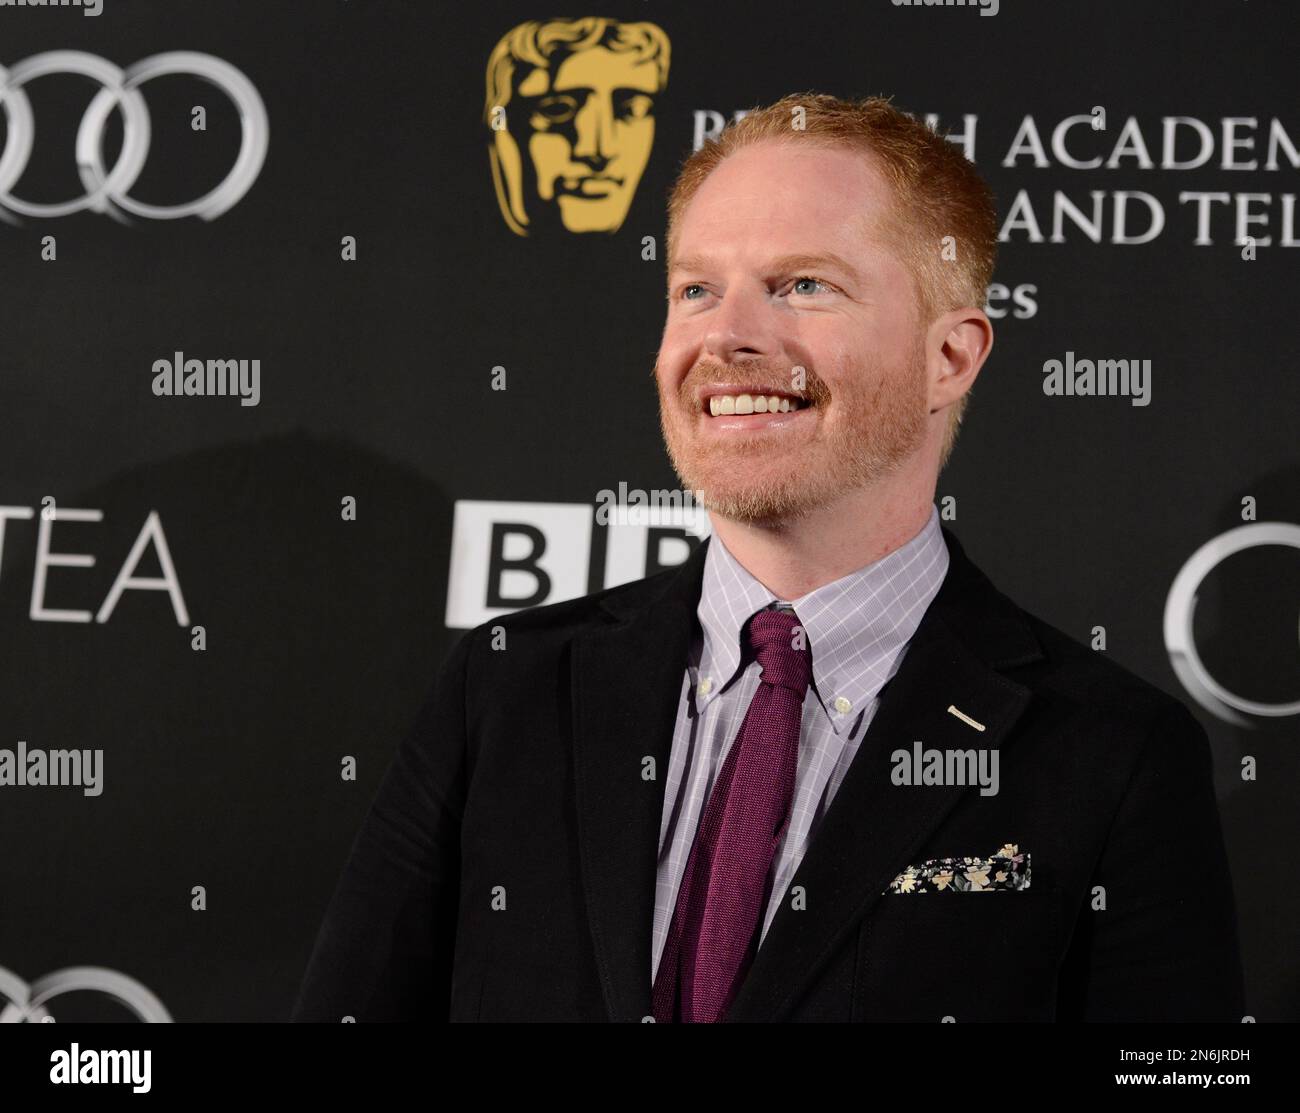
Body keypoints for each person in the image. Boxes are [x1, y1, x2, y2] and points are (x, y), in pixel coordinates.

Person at [292, 93, 1244, 1022]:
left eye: (804, 285)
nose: (726, 336)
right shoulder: (506, 687)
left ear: (948, 360)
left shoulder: (1111, 755)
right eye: (697, 289)